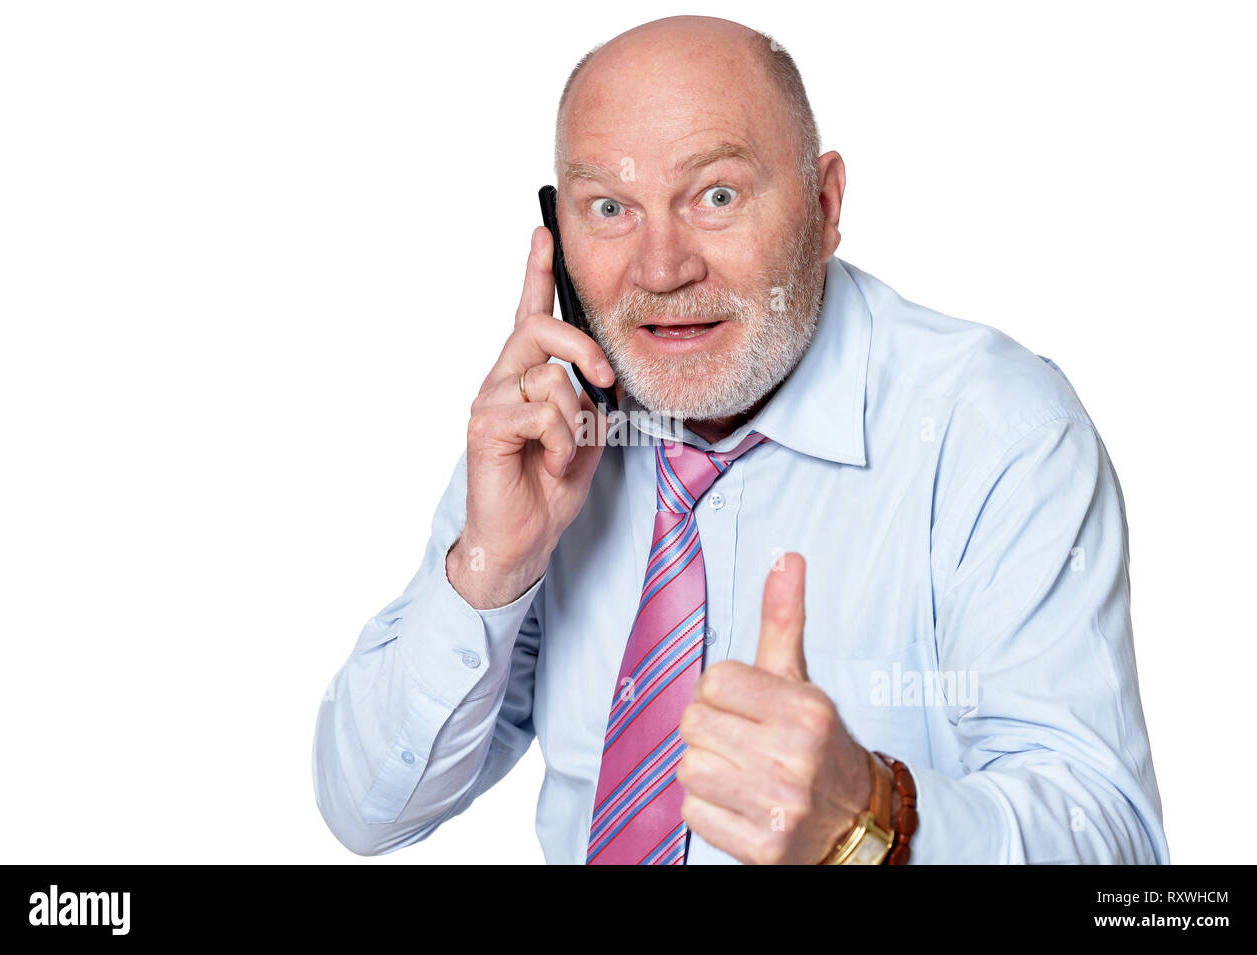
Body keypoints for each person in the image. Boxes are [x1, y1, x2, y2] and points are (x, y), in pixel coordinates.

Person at [311, 14, 1169, 865]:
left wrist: (873, 821)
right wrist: (494, 567)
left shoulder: (997, 435)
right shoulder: (550, 431)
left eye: (716, 196)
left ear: (826, 206)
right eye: (609, 208)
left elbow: (1122, 862)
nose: (660, 268)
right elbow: (367, 810)